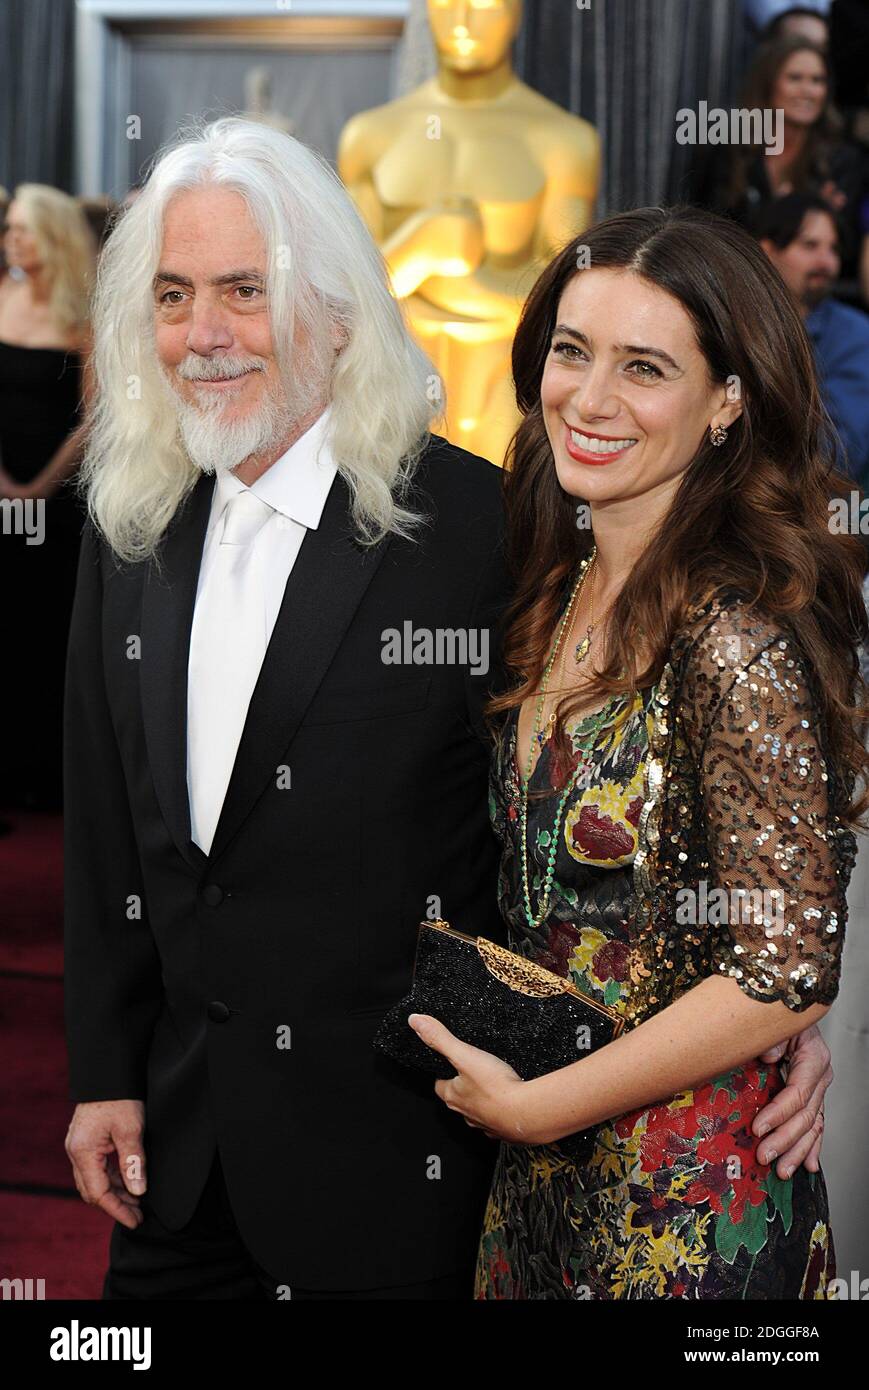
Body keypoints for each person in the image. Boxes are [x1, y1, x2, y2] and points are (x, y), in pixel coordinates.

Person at [63, 120, 836, 1301]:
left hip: (410, 1173)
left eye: (242, 291)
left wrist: (774, 1017)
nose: (202, 334)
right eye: (171, 296)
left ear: (330, 306)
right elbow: (107, 825)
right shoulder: (127, 520)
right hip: (175, 1162)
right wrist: (104, 1071)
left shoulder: (480, 530)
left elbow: (618, 862)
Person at [409, 205, 869, 1299]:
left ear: (724, 402)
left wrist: (539, 1107)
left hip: (688, 1216)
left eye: (644, 366)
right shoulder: (552, 576)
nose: (591, 397)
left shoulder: (735, 630)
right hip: (534, 1198)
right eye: (571, 351)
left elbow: (785, 971)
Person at [0, 184, 95, 809]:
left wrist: (36, 488)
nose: (12, 239)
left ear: (54, 235)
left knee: (45, 629)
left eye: (24, 229)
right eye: (9, 228)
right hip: (0, 488)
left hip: (54, 502)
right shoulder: (1, 296)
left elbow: (94, 419)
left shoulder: (82, 315)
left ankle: (44, 775)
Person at [693, 37, 867, 284]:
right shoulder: (730, 151)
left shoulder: (843, 160)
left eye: (817, 80)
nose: (808, 90)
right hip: (732, 282)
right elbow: (706, 227)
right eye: (795, 78)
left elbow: (846, 248)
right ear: (768, 85)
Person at [757, 192, 869, 494]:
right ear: (767, 251)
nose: (827, 262)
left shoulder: (853, 334)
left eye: (832, 249)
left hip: (811, 511)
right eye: (810, 245)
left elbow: (839, 455)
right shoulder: (736, 321)